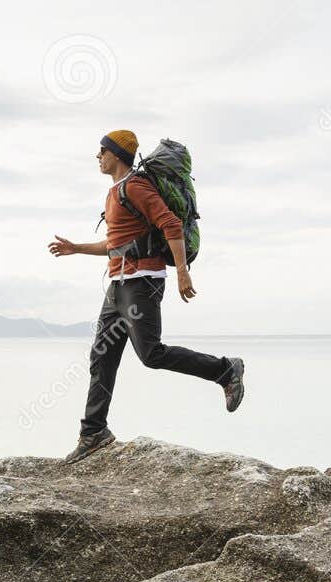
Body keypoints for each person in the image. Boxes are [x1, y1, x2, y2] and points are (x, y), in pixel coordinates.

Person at [48, 129, 245, 463]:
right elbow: (116, 244)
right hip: (118, 285)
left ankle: (226, 371)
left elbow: (170, 224)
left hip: (142, 282)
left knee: (151, 354)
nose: (98, 157)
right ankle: (94, 432)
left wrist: (182, 271)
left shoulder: (135, 186)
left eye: (102, 151)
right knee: (101, 356)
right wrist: (76, 248)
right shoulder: (114, 193)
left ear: (117, 155)